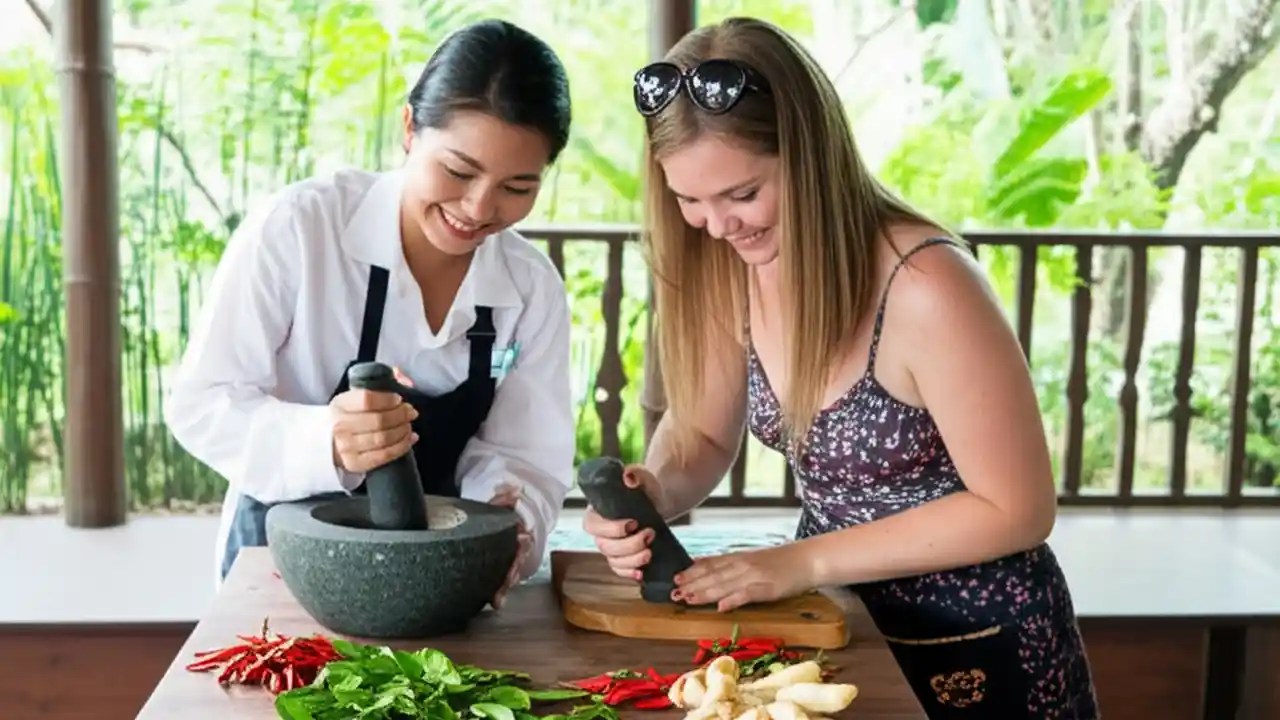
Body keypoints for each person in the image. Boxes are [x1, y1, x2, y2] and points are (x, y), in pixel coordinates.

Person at [584, 16, 1099, 719]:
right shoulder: (722, 262)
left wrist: (795, 563)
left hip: (984, 634)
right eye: (688, 200)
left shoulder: (925, 284)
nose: (716, 225)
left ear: (811, 156)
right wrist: (654, 494)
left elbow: (1017, 508)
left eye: (742, 194)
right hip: (840, 621)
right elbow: (700, 436)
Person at [164, 18, 575, 609]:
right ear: (409, 128)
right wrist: (325, 441)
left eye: (517, 186)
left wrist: (511, 518)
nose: (478, 208)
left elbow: (525, 454)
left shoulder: (531, 289)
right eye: (458, 171)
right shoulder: (300, 228)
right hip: (283, 575)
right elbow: (202, 404)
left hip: (448, 584)